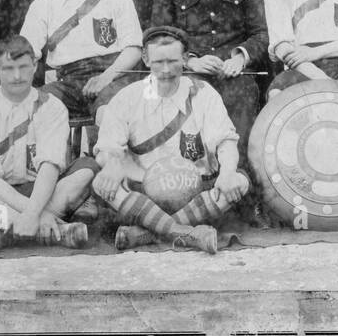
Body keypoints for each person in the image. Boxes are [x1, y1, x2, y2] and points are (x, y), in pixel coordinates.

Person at [69, 27, 252, 254]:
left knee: (240, 180)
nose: (165, 70)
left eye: (173, 61)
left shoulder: (203, 92)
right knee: (101, 183)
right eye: (158, 62)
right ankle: (183, 232)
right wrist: (113, 164)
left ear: (186, 58)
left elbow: (226, 141)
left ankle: (147, 231)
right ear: (145, 59)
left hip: (196, 191)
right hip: (145, 192)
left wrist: (227, 173)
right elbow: (108, 147)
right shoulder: (128, 97)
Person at [0, 35, 91, 252]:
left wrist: (34, 210)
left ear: (34, 66)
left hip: (43, 192)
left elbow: (49, 166)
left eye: (23, 67)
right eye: (8, 68)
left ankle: (7, 234)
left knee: (87, 169)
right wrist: (34, 214)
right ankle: (54, 231)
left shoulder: (52, 107)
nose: (17, 76)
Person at [150, 0, 268, 161]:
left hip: (234, 74)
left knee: (243, 100)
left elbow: (261, 34)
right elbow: (160, 37)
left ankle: (237, 182)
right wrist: (190, 60)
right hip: (188, 73)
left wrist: (239, 58)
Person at [19, 0, 142, 118]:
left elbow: (133, 48)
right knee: (36, 110)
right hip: (68, 82)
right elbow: (25, 53)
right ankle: (59, 149)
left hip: (113, 77)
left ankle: (107, 147)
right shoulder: (42, 5)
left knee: (110, 114)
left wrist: (105, 78)